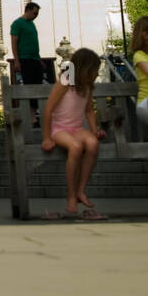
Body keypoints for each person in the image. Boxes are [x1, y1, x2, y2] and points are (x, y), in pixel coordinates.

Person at [40, 47, 105, 220]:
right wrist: (46, 137)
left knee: (92, 143)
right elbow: (48, 110)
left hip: (77, 129)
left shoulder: (87, 86)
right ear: (85, 69)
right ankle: (70, 195)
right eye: (95, 71)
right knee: (75, 147)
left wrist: (94, 130)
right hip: (59, 129)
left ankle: (80, 190)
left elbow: (89, 110)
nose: (97, 75)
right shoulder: (66, 80)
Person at [10, 1, 43, 114]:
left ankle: (36, 112)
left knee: (38, 86)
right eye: (34, 13)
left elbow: (34, 43)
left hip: (35, 59)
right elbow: (14, 43)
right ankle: (30, 114)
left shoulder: (31, 24)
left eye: (37, 14)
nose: (35, 16)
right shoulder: (17, 23)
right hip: (24, 59)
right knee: (29, 87)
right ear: (28, 10)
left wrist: (39, 59)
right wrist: (16, 61)